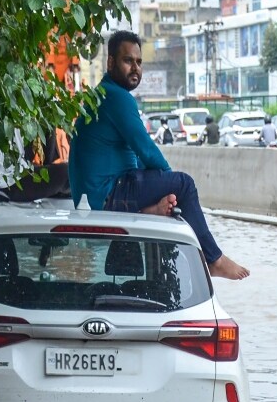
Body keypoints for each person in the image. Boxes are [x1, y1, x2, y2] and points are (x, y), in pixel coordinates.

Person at [68, 30, 248, 280]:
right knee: (184, 184)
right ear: (110, 63)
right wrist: (170, 180)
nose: (135, 68)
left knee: (163, 181)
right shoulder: (117, 98)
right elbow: (146, 149)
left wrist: (159, 182)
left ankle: (149, 211)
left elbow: (136, 154)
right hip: (107, 193)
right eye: (128, 60)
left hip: (95, 195)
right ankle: (213, 259)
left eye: (139, 62)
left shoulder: (102, 94)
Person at [0, 127, 71, 202]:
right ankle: (0, 190)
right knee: (66, 172)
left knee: (64, 173)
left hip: (13, 173)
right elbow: (48, 158)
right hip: (8, 180)